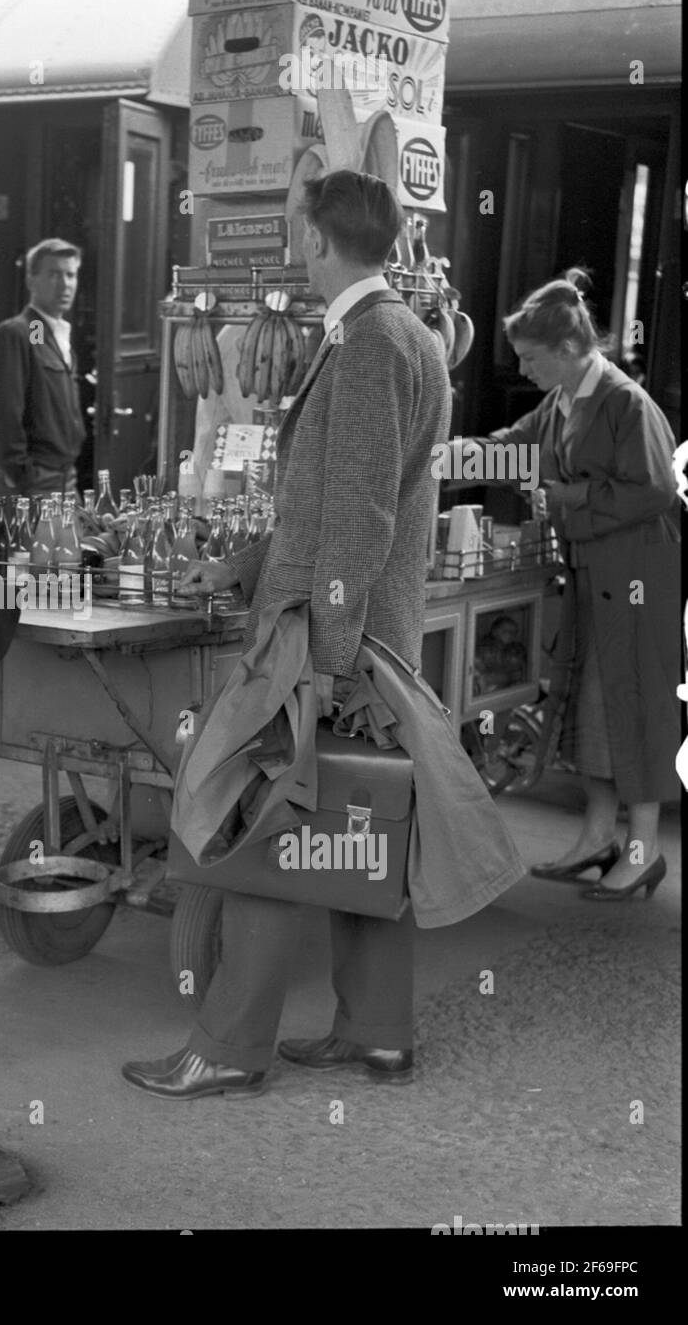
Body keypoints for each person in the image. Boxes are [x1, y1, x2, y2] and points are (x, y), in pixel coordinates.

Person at [122, 171, 455, 1099]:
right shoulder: (408, 336)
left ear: (316, 238)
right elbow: (334, 507)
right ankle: (378, 1031)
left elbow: (356, 522)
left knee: (269, 828)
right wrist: (239, 567)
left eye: (298, 231)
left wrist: (329, 659)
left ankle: (228, 1047)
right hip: (357, 626)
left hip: (328, 637)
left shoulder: (368, 344)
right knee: (363, 821)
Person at [463, 268, 679, 901]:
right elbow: (510, 449)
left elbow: (657, 489)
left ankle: (643, 851)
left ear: (566, 350)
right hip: (595, 571)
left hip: (638, 572)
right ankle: (596, 839)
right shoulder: (562, 402)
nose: (523, 370)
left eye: (531, 359)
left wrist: (562, 496)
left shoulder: (623, 401)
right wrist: (435, 460)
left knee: (633, 711)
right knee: (591, 709)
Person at [0, 238, 84, 499]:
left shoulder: (60, 335)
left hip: (63, 477)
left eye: (71, 275)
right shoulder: (16, 333)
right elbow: (2, 412)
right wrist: (22, 474)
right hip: (34, 479)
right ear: (31, 280)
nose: (65, 284)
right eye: (53, 274)